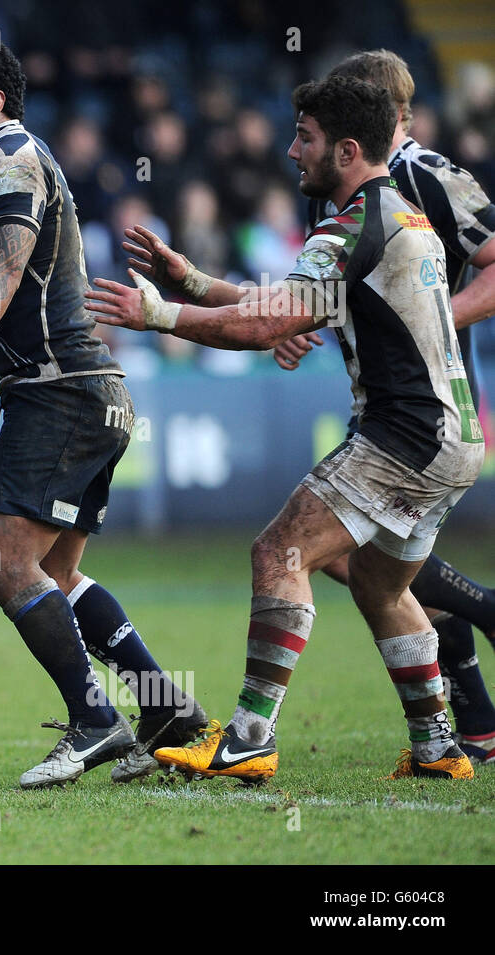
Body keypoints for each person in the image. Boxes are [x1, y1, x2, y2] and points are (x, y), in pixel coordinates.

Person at [85, 74, 483, 781]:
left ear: (348, 148)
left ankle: (247, 736)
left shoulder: (357, 221)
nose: (292, 150)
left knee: (280, 552)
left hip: (403, 435)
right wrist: (197, 284)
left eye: (306, 137)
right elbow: (281, 303)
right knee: (381, 587)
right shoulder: (400, 215)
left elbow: (269, 321)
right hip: (452, 440)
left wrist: (160, 315)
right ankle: (439, 746)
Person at [0, 33, 205, 788]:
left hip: (59, 390)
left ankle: (94, 720)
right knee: (54, 576)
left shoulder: (11, 157)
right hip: (82, 392)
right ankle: (168, 710)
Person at [272, 50, 495, 765]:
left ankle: (478, 634)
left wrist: (434, 320)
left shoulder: (426, 175)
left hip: (427, 401)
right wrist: (299, 322)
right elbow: (336, 283)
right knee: (369, 567)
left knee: (329, 553)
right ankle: (474, 725)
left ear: (383, 111)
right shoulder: (340, 186)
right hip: (381, 396)